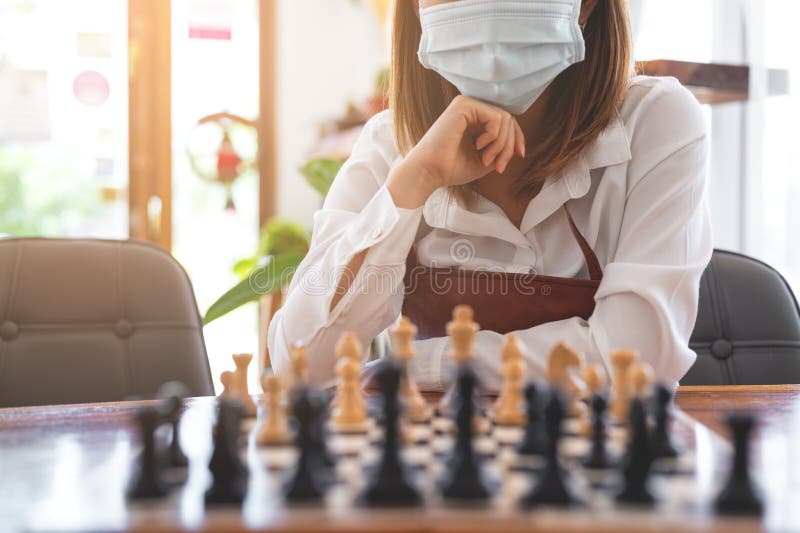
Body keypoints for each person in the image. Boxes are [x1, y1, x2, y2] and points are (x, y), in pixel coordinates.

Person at [268, 0, 712, 391]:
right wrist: (416, 178)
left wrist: (419, 365)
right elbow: (300, 362)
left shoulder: (656, 122)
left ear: (587, 5)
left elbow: (634, 361)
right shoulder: (390, 144)